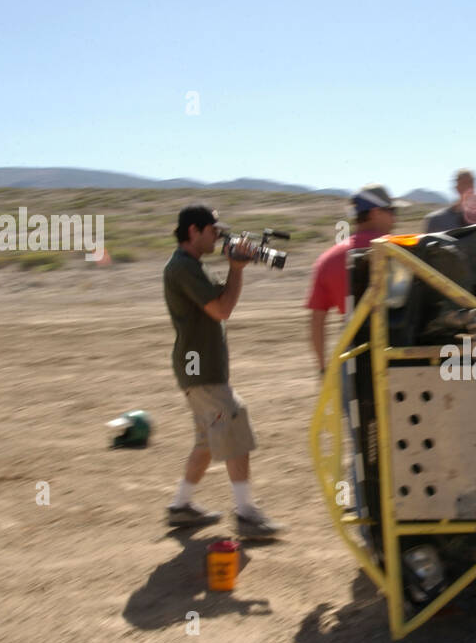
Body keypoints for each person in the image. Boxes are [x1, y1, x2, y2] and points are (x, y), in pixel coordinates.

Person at [162, 203, 283, 536]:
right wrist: (237, 269)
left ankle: (181, 507)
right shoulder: (184, 268)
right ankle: (246, 514)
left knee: (206, 441)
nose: (217, 236)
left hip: (200, 368)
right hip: (200, 370)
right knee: (233, 419)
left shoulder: (191, 266)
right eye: (213, 231)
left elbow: (219, 304)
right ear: (194, 231)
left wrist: (236, 267)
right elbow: (222, 309)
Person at [306, 184, 398, 374]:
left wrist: (323, 369)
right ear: (374, 213)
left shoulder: (327, 260)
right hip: (402, 348)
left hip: (353, 356)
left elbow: (317, 321)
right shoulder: (403, 251)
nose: (394, 217)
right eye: (391, 210)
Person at [423, 169, 476, 233]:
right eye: (464, 183)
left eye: (471, 182)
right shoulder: (437, 220)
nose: (468, 187)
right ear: (457, 187)